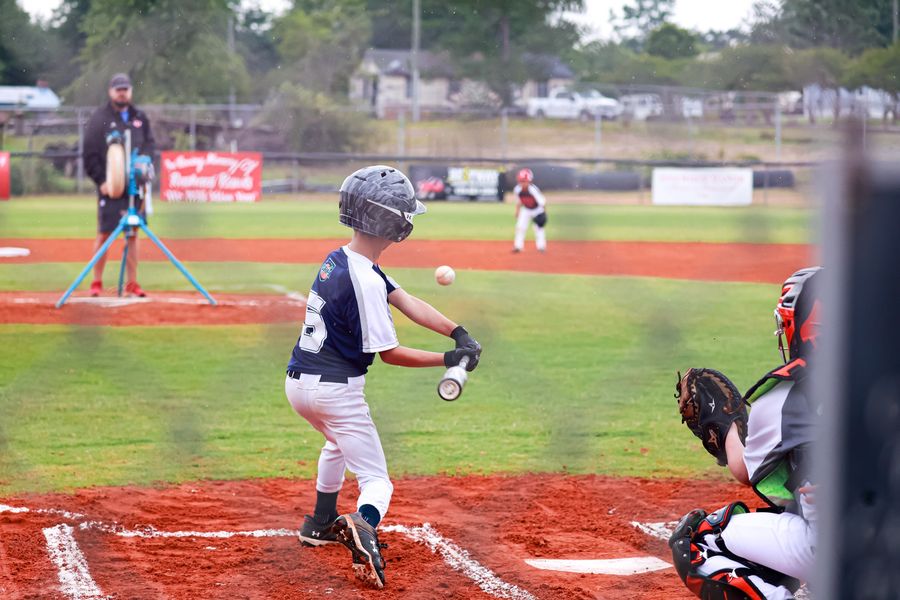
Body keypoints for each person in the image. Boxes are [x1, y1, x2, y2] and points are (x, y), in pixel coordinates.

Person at [284, 165, 482, 589]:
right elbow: (390, 354)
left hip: (299, 386)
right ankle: (364, 522)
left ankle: (319, 522)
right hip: (336, 392)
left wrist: (458, 332)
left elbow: (406, 299)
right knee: (377, 481)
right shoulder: (365, 281)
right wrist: (448, 358)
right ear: (391, 222)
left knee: (336, 442)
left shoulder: (344, 259)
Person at [670, 267, 823, 600]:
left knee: (699, 540)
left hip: (832, 549)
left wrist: (727, 427)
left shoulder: (784, 396)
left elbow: (744, 470)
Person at [83, 73, 156, 297]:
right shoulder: (99, 118)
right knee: (105, 233)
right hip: (111, 186)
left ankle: (132, 282)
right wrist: (101, 181)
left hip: (135, 186)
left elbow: (150, 145)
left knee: (133, 234)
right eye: (118, 89)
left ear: (130, 91)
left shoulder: (140, 117)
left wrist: (144, 164)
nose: (122, 93)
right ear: (111, 92)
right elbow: (89, 153)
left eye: (125, 89)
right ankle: (96, 282)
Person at [511, 168, 548, 253]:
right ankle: (518, 246)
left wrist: (544, 214)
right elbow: (519, 201)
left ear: (529, 181)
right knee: (520, 227)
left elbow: (542, 203)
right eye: (520, 181)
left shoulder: (533, 190)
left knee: (538, 228)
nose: (522, 183)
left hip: (537, 209)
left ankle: (541, 247)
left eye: (524, 181)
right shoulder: (517, 189)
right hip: (526, 209)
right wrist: (517, 211)